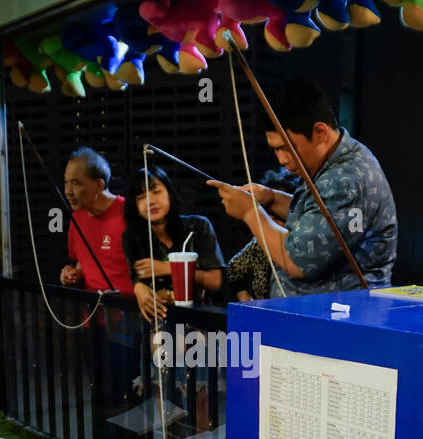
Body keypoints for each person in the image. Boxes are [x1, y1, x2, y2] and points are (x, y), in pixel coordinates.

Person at [210, 78, 396, 296]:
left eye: (287, 148)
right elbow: (320, 217)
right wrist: (270, 198)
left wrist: (250, 212)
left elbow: (297, 260)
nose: (281, 159)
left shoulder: (346, 179)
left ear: (320, 132)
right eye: (275, 150)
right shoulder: (340, 158)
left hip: (339, 319)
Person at [123, 166, 224, 322]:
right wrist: (138, 288)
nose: (150, 201)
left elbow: (215, 281)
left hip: (200, 321)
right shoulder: (132, 237)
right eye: (141, 197)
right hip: (158, 323)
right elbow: (138, 280)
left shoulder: (198, 226)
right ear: (135, 207)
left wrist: (166, 268)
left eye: (156, 192)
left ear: (169, 193)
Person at [59, 147, 133, 295]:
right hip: (92, 313)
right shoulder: (77, 218)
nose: (67, 191)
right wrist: (72, 274)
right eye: (66, 182)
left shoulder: (130, 214)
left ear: (99, 185)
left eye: (75, 183)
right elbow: (82, 262)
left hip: (130, 312)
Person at [226, 168, 298, 302]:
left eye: (278, 214)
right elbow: (233, 269)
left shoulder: (304, 243)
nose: (272, 218)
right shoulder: (259, 244)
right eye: (268, 212)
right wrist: (244, 297)